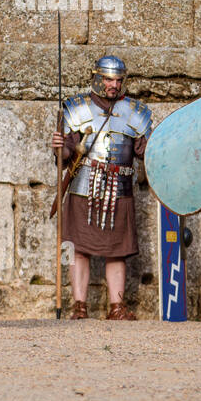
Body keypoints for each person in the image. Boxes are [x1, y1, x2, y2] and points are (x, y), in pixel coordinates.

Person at [51, 56, 152, 320]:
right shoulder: (75, 108)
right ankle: (79, 305)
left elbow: (148, 153)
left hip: (119, 190)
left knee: (117, 250)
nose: (113, 85)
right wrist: (60, 148)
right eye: (108, 79)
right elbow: (64, 158)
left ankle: (116, 307)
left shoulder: (136, 112)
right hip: (83, 187)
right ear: (97, 78)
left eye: (118, 80)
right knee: (78, 247)